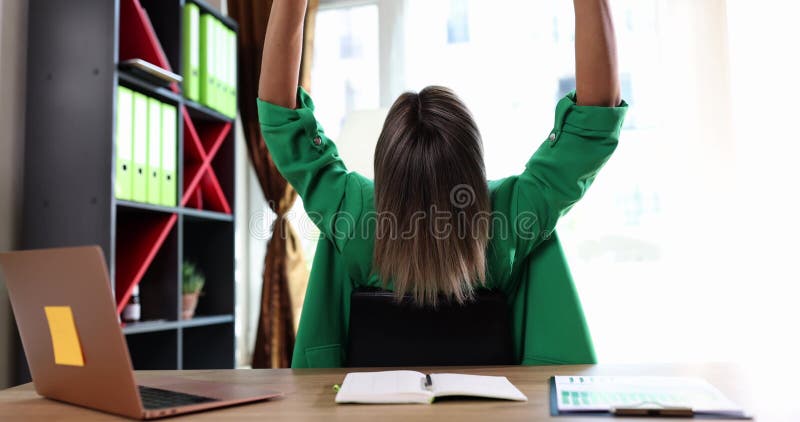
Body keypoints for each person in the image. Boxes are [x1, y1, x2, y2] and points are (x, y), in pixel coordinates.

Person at [258, 0, 627, 365]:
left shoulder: (354, 214)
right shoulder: (511, 215)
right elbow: (592, 123)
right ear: (472, 163)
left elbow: (281, 118)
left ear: (386, 167)